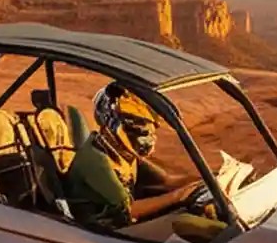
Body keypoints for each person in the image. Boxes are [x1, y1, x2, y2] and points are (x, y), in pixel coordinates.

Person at [63, 83, 201, 230]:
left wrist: (207, 180)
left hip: (119, 224)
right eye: (140, 130)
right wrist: (178, 196)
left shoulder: (123, 154)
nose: (147, 139)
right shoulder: (96, 162)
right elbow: (130, 209)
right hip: (102, 233)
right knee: (183, 226)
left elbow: (166, 181)